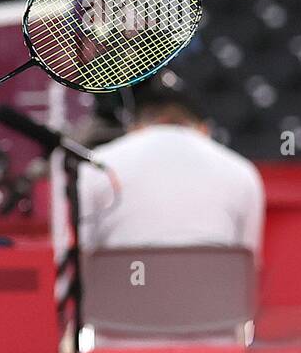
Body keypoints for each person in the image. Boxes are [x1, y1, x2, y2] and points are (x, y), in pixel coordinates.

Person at [78, 84, 265, 261]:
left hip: (124, 287)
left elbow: (83, 256)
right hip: (213, 291)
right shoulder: (242, 171)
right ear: (204, 129)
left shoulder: (95, 165)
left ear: (135, 128)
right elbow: (247, 264)